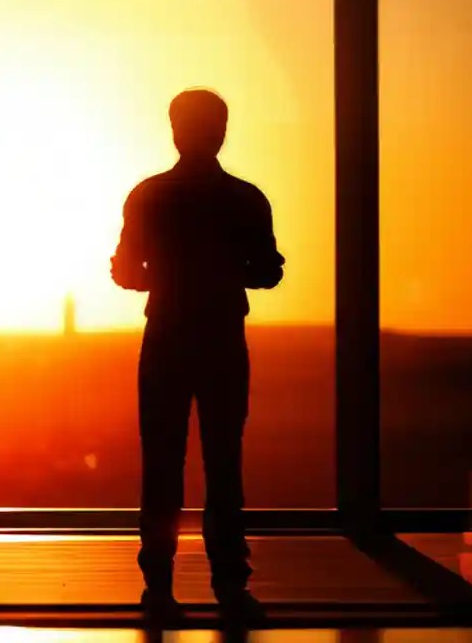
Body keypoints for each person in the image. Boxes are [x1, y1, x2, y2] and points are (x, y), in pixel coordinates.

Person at [110, 88, 284, 619]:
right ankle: (230, 583)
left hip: (165, 336)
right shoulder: (245, 198)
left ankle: (158, 586)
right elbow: (268, 271)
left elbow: (125, 271)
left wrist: (160, 278)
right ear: (222, 131)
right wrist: (231, 272)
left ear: (174, 129)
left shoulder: (149, 195)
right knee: (223, 463)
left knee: (162, 463)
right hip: (222, 339)